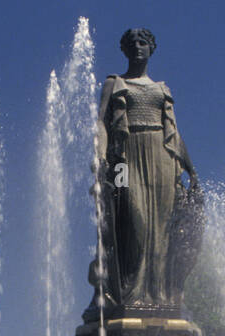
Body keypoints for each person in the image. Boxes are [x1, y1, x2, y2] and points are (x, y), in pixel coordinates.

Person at [87, 28, 200, 317]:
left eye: (144, 43)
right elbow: (100, 123)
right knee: (133, 222)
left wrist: (190, 167)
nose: (138, 47)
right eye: (132, 43)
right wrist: (100, 157)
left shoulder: (163, 89)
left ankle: (159, 295)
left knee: (161, 229)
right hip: (126, 157)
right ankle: (129, 292)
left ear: (151, 48)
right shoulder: (115, 83)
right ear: (125, 50)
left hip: (162, 158)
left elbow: (173, 133)